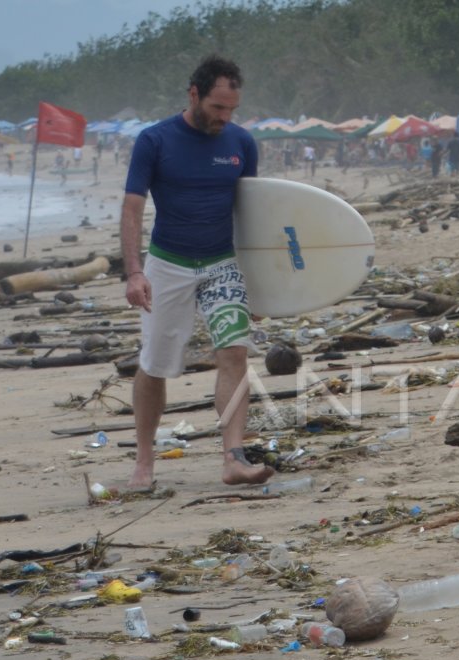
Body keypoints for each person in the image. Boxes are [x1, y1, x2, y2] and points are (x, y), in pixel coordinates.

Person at [121, 54, 273, 490]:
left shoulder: (241, 144)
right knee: (155, 365)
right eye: (217, 108)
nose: (224, 118)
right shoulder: (155, 141)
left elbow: (253, 216)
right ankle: (144, 464)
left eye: (231, 110)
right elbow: (133, 208)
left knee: (234, 353)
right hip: (167, 265)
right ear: (194, 95)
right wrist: (135, 273)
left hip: (223, 264)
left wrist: (261, 288)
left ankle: (233, 459)